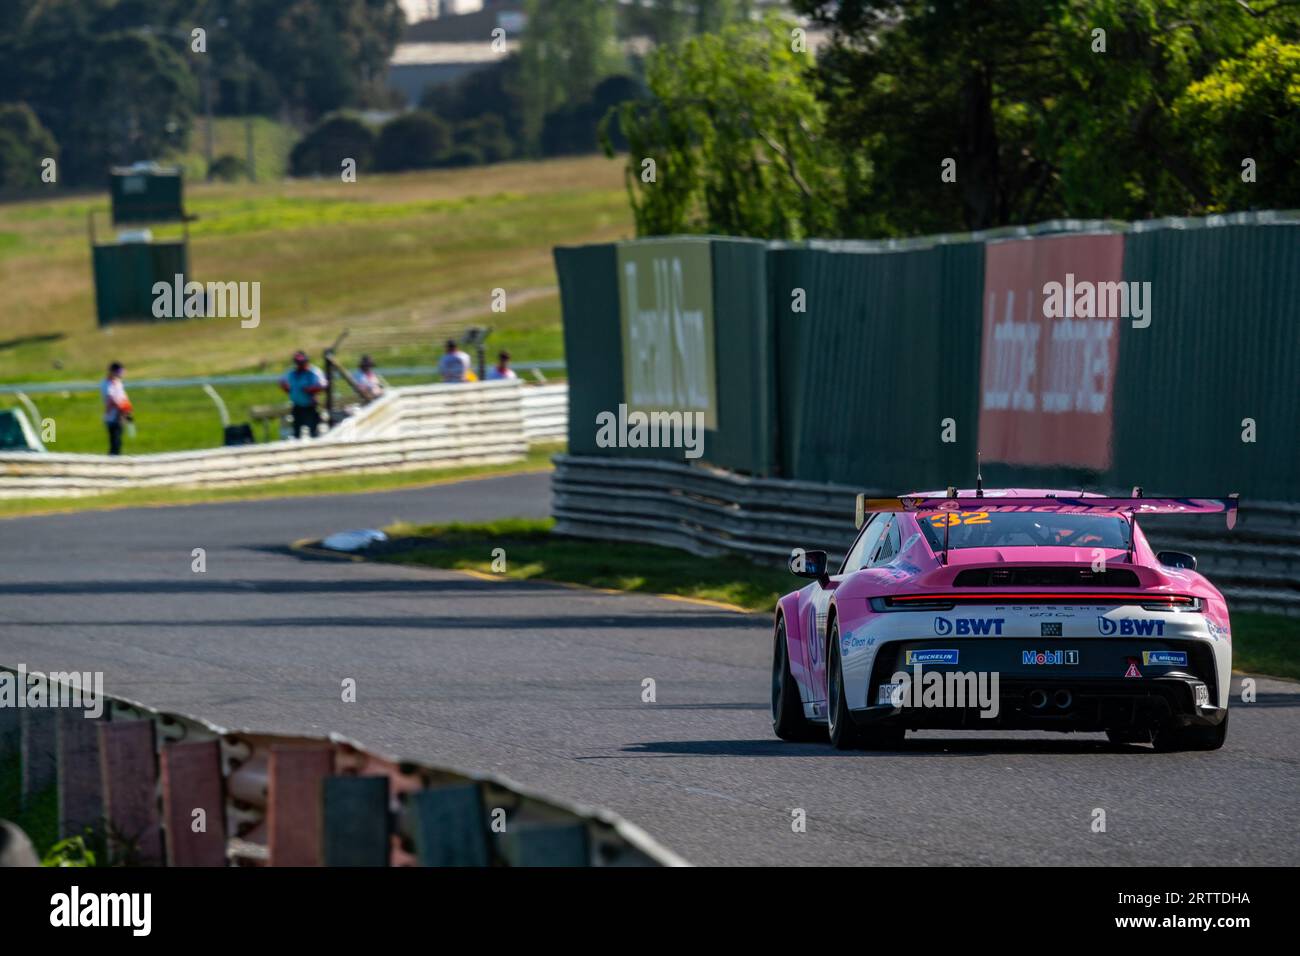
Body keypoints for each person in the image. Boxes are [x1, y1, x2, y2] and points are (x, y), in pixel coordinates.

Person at [279, 350, 327, 438]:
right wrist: (287, 389)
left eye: (302, 362)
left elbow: (323, 385)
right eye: (298, 362)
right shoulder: (292, 372)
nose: (300, 364)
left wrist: (311, 390)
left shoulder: (313, 372)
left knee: (313, 432)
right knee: (297, 433)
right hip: (297, 406)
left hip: (310, 407)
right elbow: (282, 382)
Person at [101, 361, 132, 455]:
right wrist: (122, 408)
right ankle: (112, 462)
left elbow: (123, 397)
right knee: (115, 441)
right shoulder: (107, 383)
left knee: (118, 442)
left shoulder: (118, 383)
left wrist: (127, 411)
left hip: (121, 415)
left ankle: (116, 460)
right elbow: (111, 399)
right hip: (112, 416)